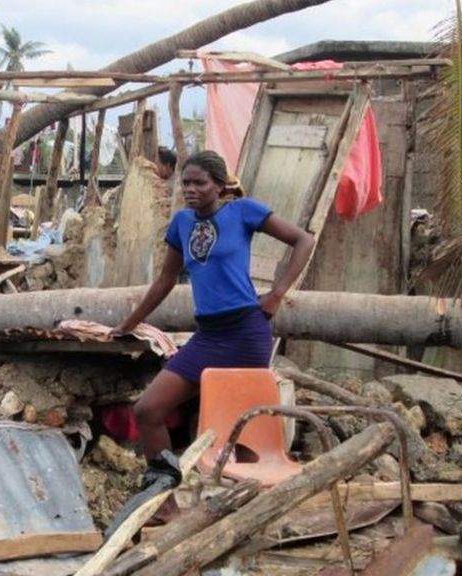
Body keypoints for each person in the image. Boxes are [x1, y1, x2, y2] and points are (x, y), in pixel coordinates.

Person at [110, 150, 315, 522]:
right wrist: (129, 323)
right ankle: (165, 504)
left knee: (244, 431)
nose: (190, 189)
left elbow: (303, 240)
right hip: (207, 336)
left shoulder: (243, 212)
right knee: (148, 410)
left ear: (220, 186)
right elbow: (165, 281)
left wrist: (277, 294)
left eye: (199, 183)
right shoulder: (181, 224)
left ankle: (258, 511)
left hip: (246, 332)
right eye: (185, 182)